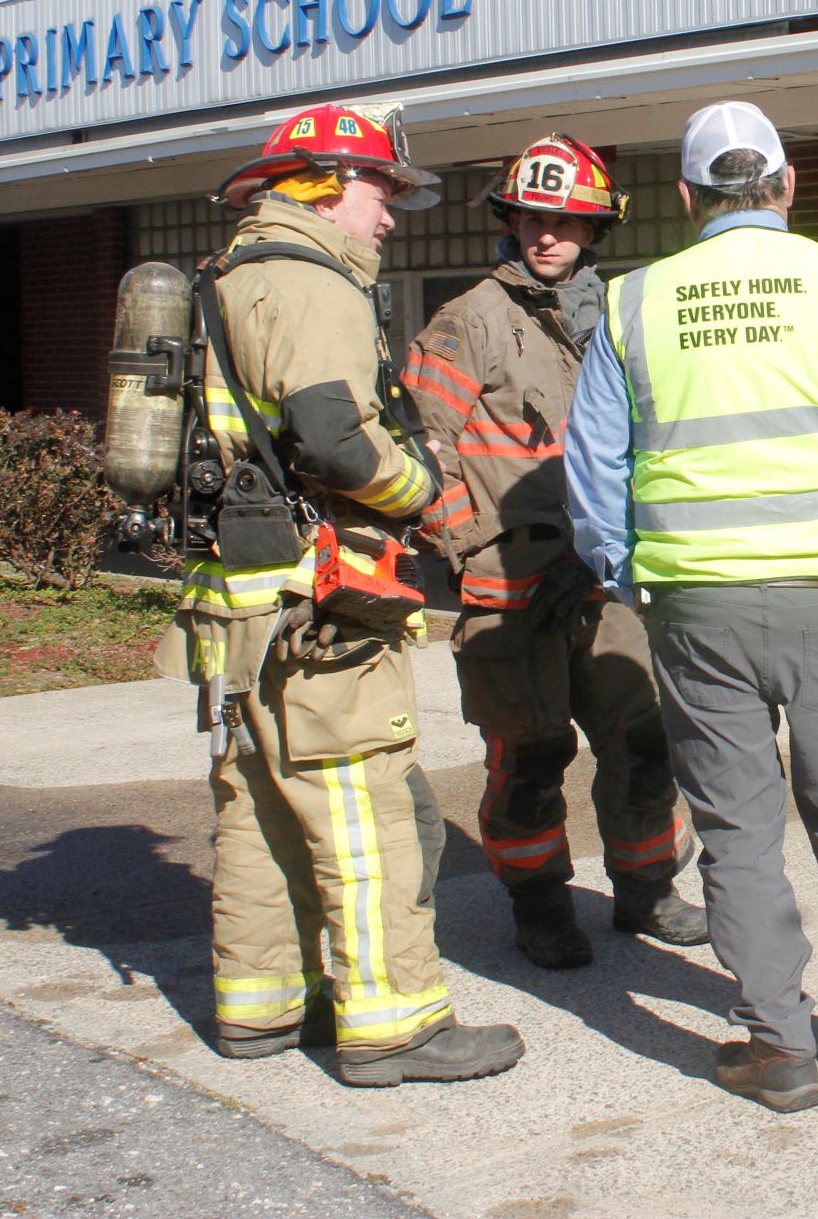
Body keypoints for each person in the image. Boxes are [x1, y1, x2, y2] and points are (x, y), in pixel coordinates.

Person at [564, 100, 818, 1114]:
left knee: (735, 828)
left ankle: (776, 1045)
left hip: (697, 603)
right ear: (780, 185)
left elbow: (595, 462)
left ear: (687, 198)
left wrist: (625, 569)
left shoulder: (635, 302)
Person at [152, 101, 523, 1088]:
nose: (392, 215)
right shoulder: (313, 286)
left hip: (235, 601)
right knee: (365, 807)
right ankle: (393, 1025)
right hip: (319, 603)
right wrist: (423, 485)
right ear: (320, 187)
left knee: (258, 801)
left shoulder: (225, 277)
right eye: (379, 192)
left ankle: (260, 1008)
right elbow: (333, 440)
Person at [402, 135, 709, 969]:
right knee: (531, 758)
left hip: (606, 579)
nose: (547, 237)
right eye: (532, 218)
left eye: (567, 223)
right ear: (509, 220)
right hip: (513, 586)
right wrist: (471, 549)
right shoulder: (468, 323)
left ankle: (646, 892)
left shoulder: (618, 317)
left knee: (644, 740)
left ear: (593, 230)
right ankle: (538, 907)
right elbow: (420, 452)